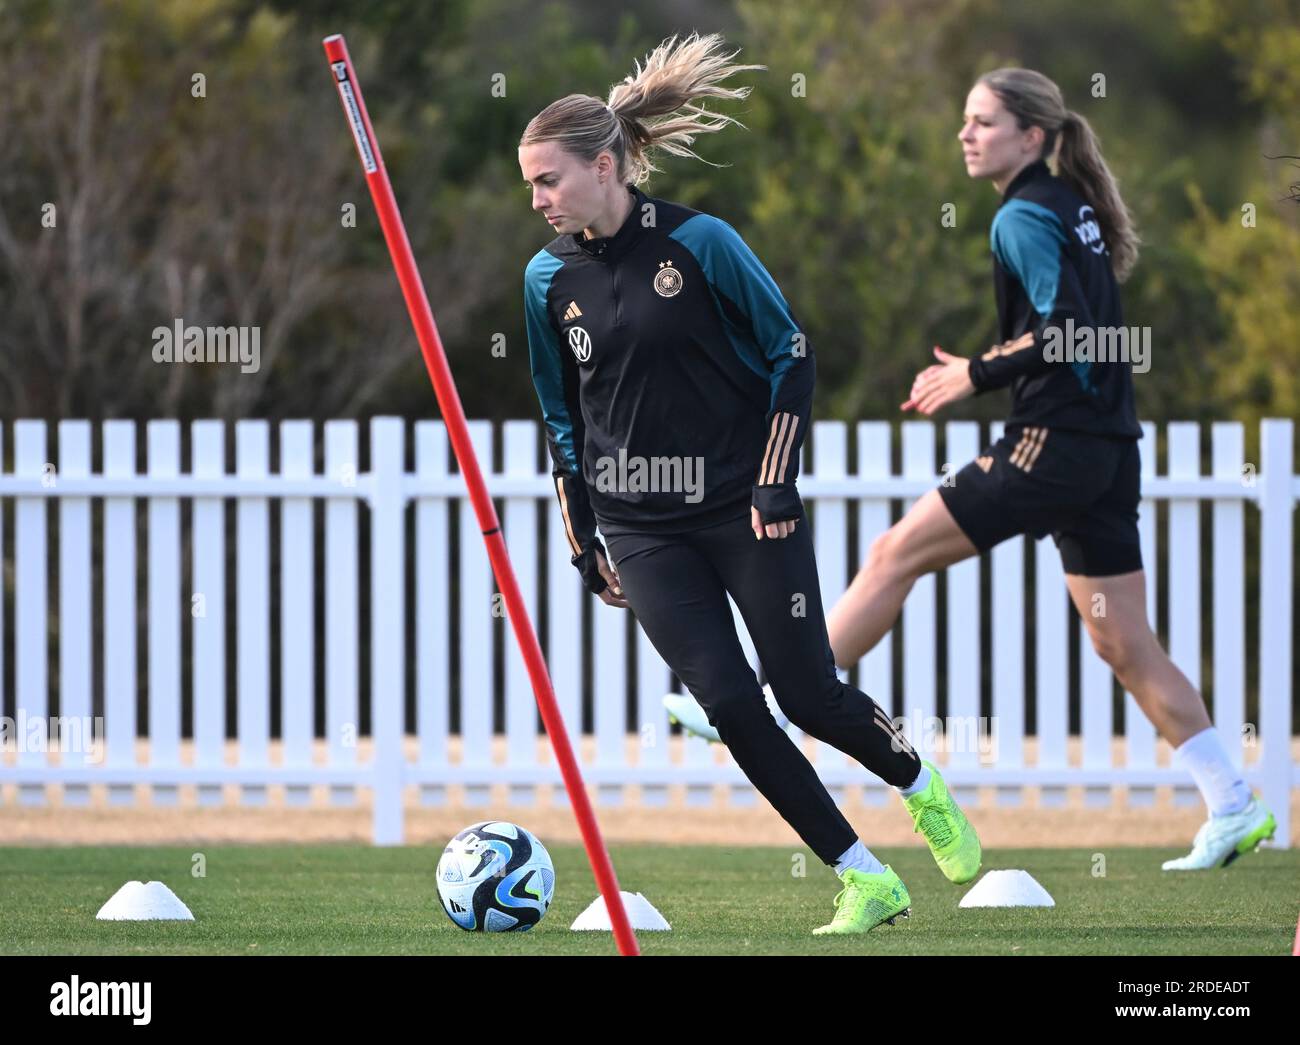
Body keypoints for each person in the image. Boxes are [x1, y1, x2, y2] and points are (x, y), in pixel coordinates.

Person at [671, 67, 1276, 871]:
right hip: (1107, 451)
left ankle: (766, 706)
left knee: (894, 554)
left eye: (983, 121)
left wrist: (974, 374)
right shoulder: (1071, 205)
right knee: (1123, 642)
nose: (966, 134)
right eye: (965, 119)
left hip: (1051, 446)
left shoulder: (1023, 215)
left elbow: (1066, 334)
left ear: (1032, 136)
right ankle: (1235, 802)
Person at [519, 32, 980, 936]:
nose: (536, 199)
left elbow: (790, 352)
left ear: (604, 166)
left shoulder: (702, 242)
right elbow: (561, 421)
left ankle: (919, 784)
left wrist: (775, 483)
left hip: (743, 505)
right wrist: (584, 543)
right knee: (729, 705)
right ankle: (863, 875)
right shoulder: (544, 281)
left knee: (806, 692)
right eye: (531, 183)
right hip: (640, 527)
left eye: (548, 179)